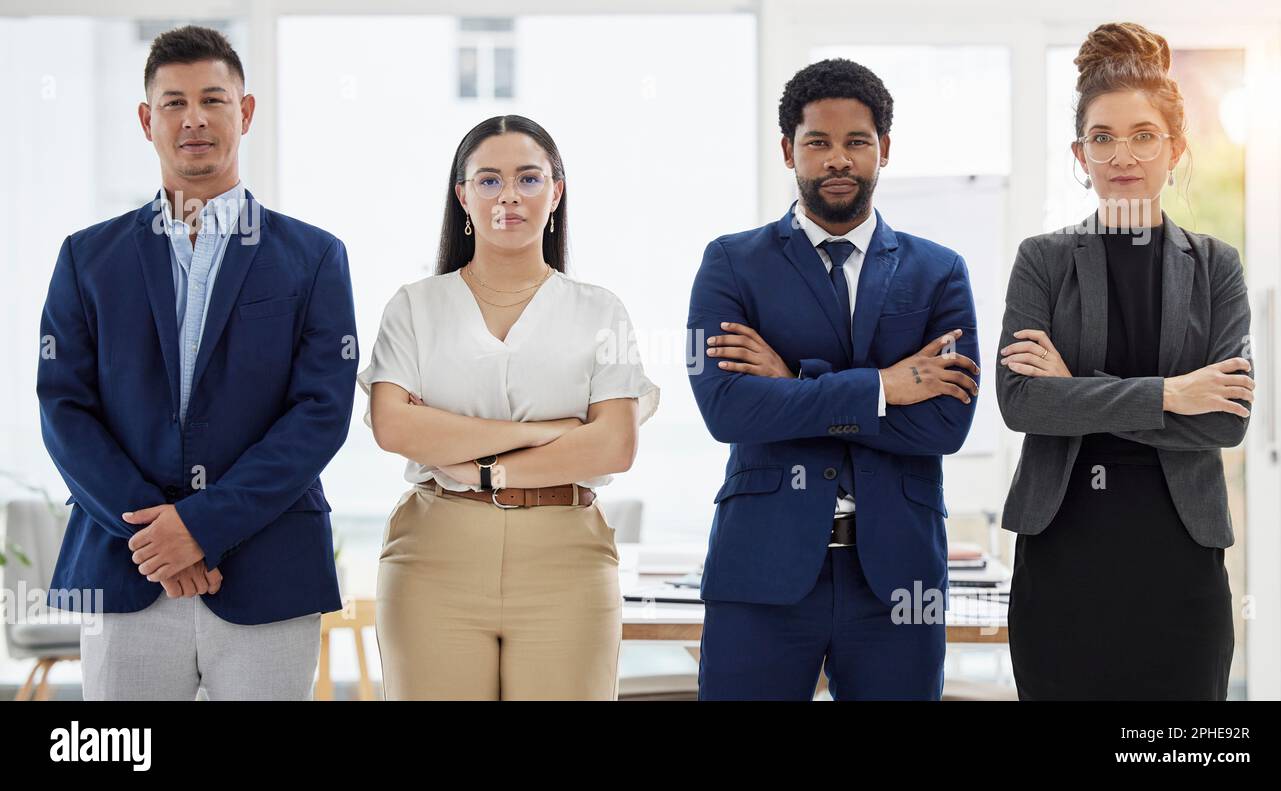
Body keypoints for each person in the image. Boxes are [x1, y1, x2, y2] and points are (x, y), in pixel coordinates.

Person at [37, 25, 358, 700]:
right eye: (174, 102)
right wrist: (159, 537)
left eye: (213, 99)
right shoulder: (87, 258)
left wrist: (201, 528)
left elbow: (321, 414)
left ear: (244, 112)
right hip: (128, 573)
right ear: (146, 119)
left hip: (267, 573)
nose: (194, 119)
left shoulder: (314, 256)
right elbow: (65, 409)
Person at [686, 59, 980, 700]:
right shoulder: (732, 263)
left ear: (885, 150)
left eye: (857, 142)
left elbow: (945, 421)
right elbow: (728, 410)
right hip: (761, 566)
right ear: (789, 149)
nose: (837, 160)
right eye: (818, 142)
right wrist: (884, 387)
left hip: (898, 578)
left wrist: (793, 379)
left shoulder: (939, 272)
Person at [358, 115, 660, 700]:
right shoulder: (415, 307)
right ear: (462, 195)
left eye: (528, 178)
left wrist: (481, 465)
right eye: (489, 181)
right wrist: (553, 432)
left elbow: (613, 445)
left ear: (557, 191)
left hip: (565, 558)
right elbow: (394, 424)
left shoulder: (601, 310)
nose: (510, 196)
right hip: (434, 554)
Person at [998, 22, 1251, 700]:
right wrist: (1171, 393)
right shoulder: (1043, 261)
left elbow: (1227, 419)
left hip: (1180, 562)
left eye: (1143, 134)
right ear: (1080, 153)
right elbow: (1021, 402)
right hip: (1064, 558)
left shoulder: (1217, 267)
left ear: (1175, 148)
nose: (1122, 154)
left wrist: (1075, 392)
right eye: (1102, 138)